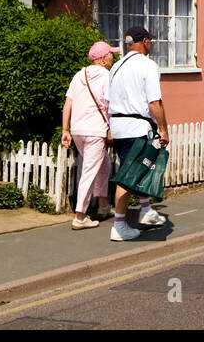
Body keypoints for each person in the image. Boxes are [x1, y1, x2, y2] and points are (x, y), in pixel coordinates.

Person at [105, 26, 170, 241]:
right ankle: (119, 226)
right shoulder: (148, 65)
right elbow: (154, 102)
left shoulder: (116, 67)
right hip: (136, 126)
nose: (151, 45)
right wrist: (163, 129)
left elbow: (107, 101)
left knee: (140, 168)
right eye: (150, 41)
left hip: (118, 124)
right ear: (144, 42)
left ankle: (145, 210)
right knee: (128, 175)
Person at [60, 41, 117, 230]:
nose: (113, 58)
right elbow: (110, 105)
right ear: (102, 59)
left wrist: (65, 130)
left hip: (78, 130)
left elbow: (68, 104)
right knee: (89, 171)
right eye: (110, 54)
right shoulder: (107, 77)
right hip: (95, 130)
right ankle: (80, 216)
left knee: (104, 165)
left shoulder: (79, 75)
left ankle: (103, 206)